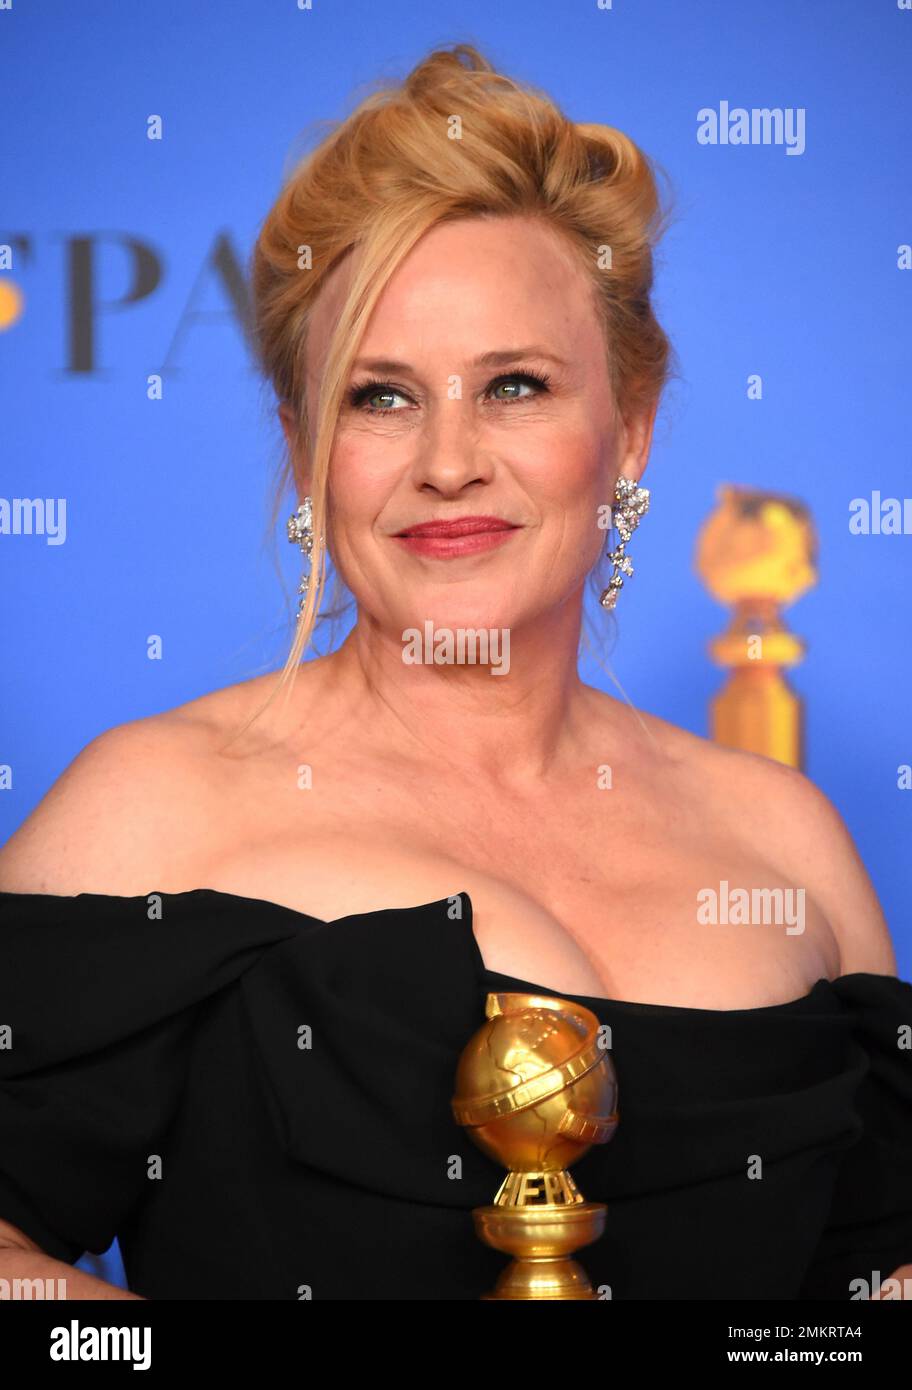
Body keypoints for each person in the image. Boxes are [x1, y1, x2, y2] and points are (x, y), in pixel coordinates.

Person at [1, 44, 909, 1301]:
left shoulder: (788, 843)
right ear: (304, 448)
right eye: (380, 398)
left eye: (515, 386)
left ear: (630, 428)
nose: (448, 461)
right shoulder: (151, 810)